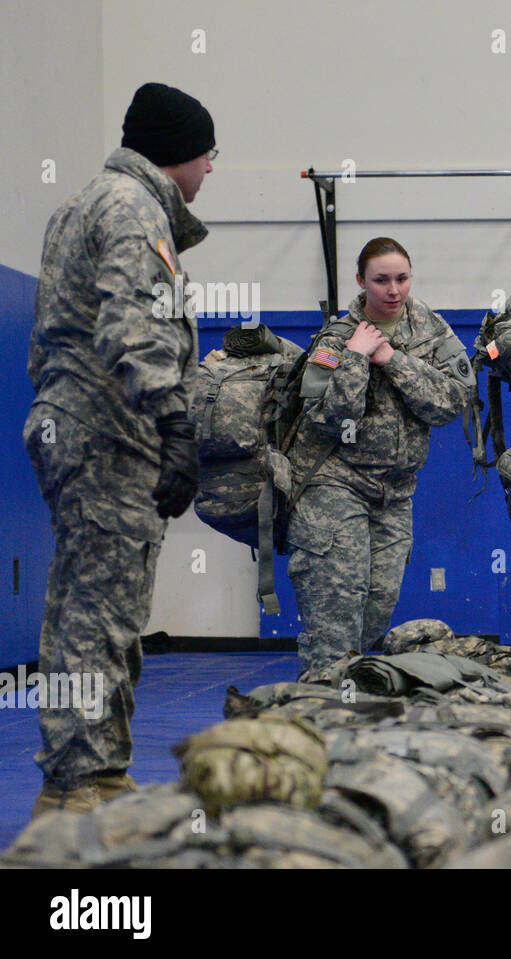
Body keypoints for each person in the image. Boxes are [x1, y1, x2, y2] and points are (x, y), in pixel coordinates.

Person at [24, 82, 216, 817]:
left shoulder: (88, 201)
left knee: (93, 605)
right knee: (98, 614)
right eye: (207, 156)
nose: (210, 173)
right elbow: (130, 324)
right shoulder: (134, 210)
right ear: (178, 156)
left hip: (83, 426)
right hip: (107, 432)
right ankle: (75, 787)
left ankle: (96, 772)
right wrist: (173, 422)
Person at [286, 237, 475, 675]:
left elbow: (451, 402)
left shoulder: (430, 329)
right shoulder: (335, 338)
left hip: (396, 492)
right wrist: (355, 358)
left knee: (377, 605)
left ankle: (344, 688)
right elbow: (327, 418)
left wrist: (392, 360)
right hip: (335, 483)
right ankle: (322, 704)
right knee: (336, 608)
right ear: (361, 281)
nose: (393, 290)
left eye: (402, 278)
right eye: (381, 280)